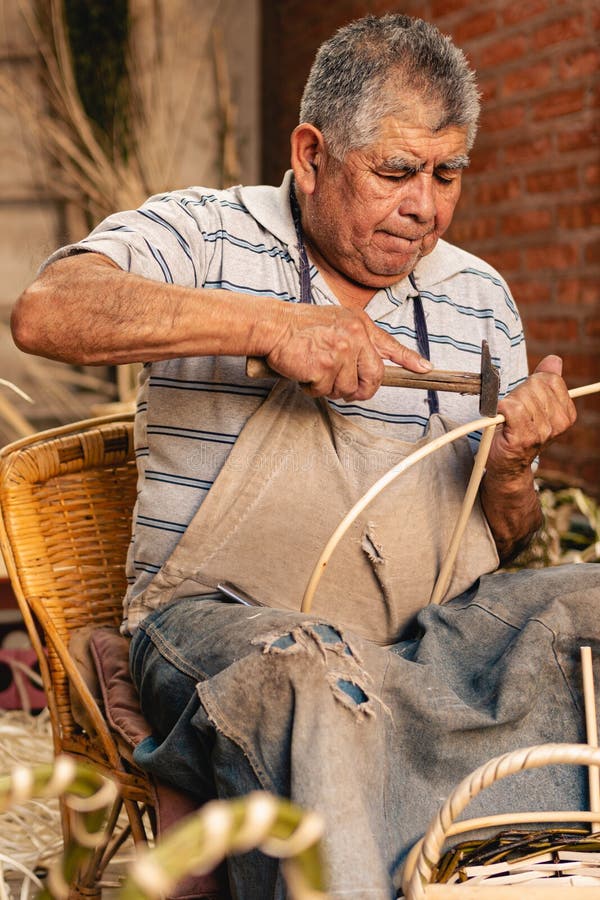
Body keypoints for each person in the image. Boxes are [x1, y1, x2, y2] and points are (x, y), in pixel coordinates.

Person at [11, 13, 598, 900]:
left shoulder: (480, 296)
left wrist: (512, 467)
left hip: (429, 644)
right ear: (312, 153)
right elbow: (48, 309)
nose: (426, 208)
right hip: (234, 621)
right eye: (396, 172)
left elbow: (506, 539)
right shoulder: (204, 235)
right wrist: (273, 324)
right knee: (308, 681)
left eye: (448, 175)